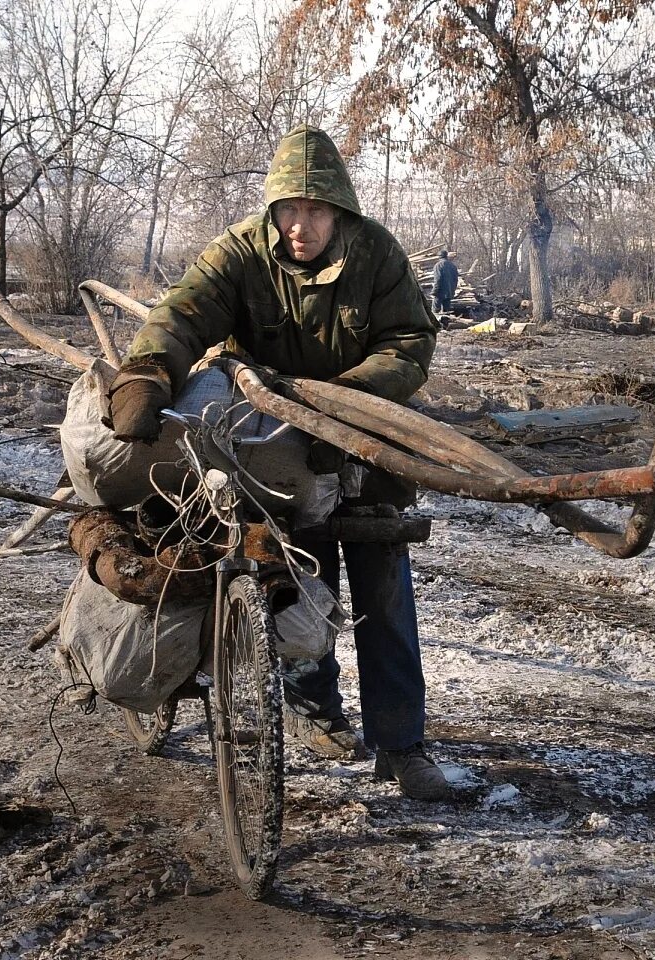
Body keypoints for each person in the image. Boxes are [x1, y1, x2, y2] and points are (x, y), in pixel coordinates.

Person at [105, 125, 449, 801]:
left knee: (382, 581)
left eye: (316, 210)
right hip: (267, 442)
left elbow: (410, 344)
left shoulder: (377, 255)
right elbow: (182, 315)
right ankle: (316, 711)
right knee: (288, 575)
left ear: (340, 212)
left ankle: (401, 743)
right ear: (272, 211)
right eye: (289, 209)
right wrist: (146, 372)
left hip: (361, 439)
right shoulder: (239, 252)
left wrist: (344, 408)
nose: (301, 225)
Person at [431, 249, 459, 314]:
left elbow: (438, 280)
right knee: (446, 313)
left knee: (435, 312)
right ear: (446, 256)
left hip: (439, 293)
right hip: (449, 292)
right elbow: (455, 280)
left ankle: (434, 323)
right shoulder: (453, 266)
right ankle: (445, 324)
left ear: (439, 257)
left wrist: (434, 292)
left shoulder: (438, 265)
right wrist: (452, 291)